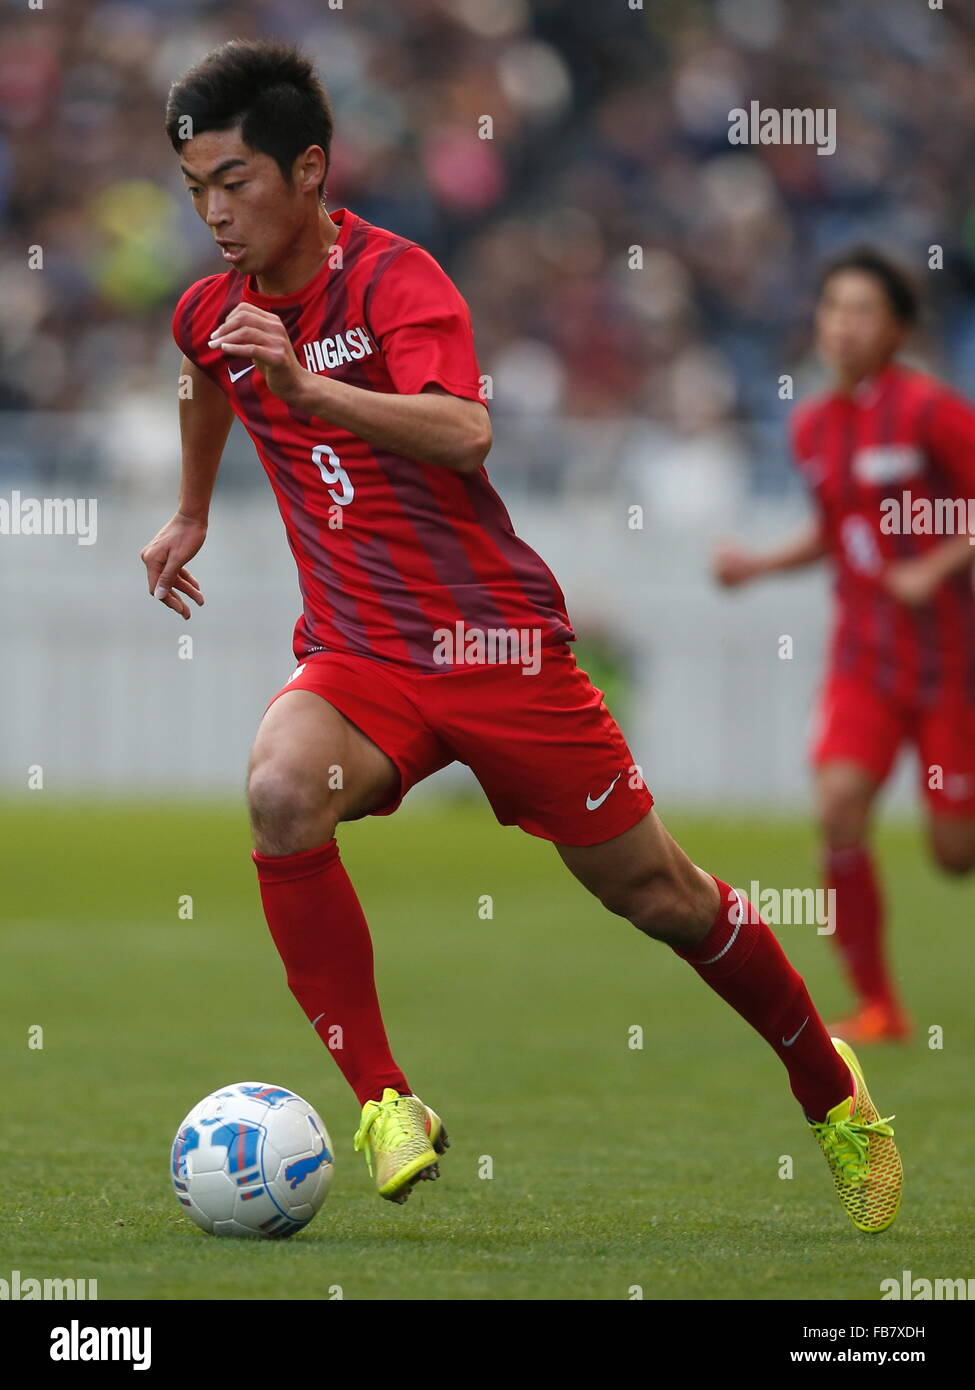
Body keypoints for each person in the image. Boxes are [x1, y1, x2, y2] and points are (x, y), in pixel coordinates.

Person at [141, 40, 901, 1231]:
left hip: (498, 654)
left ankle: (831, 1087)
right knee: (281, 790)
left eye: (234, 181)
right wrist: (192, 507)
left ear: (309, 169)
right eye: (196, 190)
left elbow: (463, 433)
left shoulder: (398, 282)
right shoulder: (215, 312)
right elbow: (201, 371)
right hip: (361, 656)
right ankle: (387, 1099)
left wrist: (308, 391)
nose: (215, 212)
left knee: (663, 897)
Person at [714, 247, 975, 1044]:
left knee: (953, 853)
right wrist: (759, 564)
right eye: (832, 308)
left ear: (895, 327)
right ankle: (878, 1006)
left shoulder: (932, 412)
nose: (843, 325)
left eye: (862, 310)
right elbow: (836, 533)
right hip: (864, 659)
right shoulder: (810, 424)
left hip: (950, 668)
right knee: (835, 807)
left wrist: (935, 563)